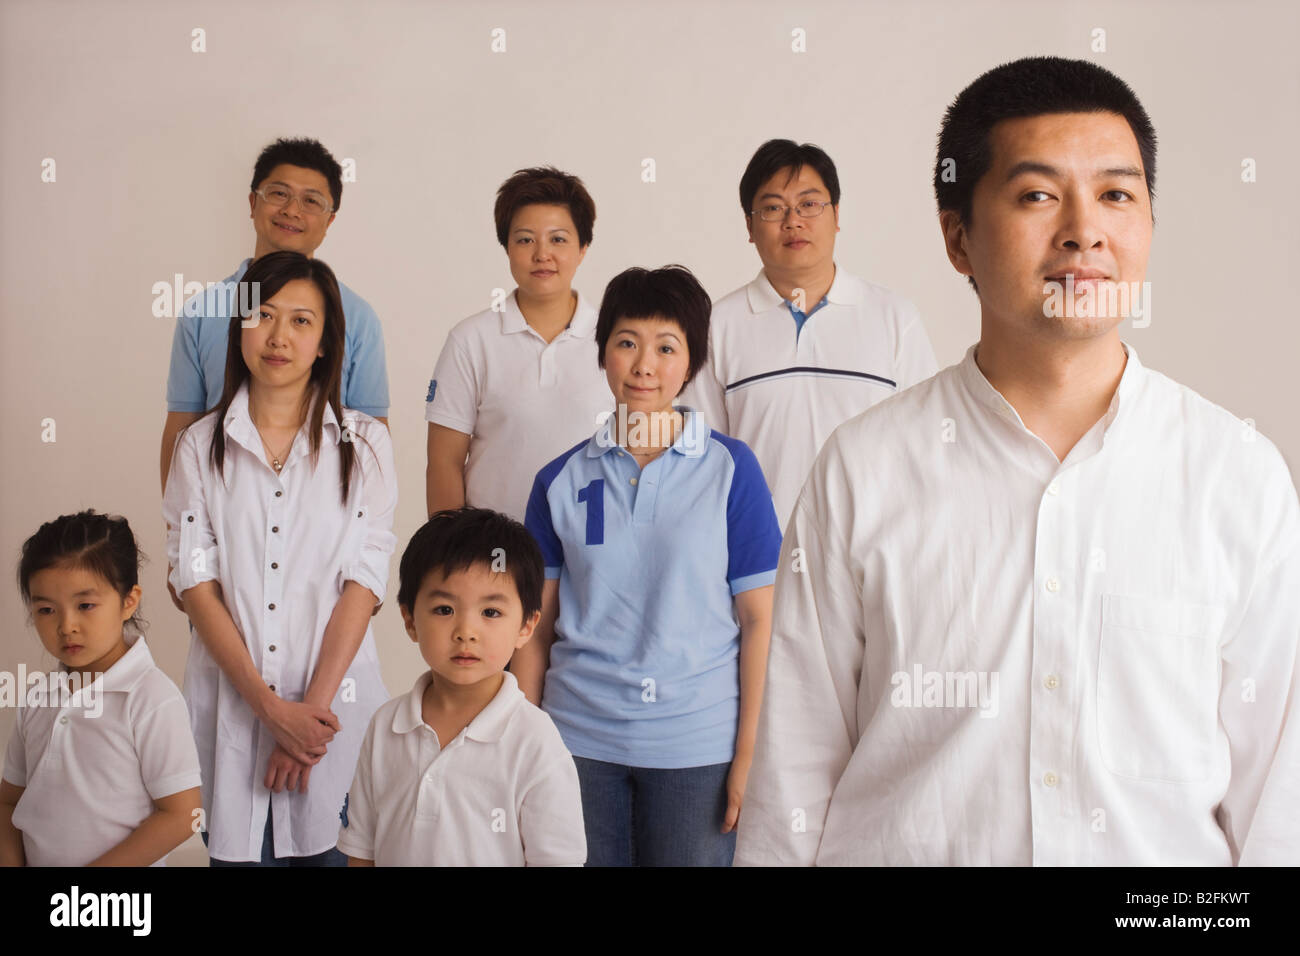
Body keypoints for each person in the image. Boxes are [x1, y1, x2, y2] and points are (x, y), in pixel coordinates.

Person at [736, 56, 1300, 866]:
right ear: (957, 236)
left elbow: (1279, 803)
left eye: (1116, 194)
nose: (1084, 231)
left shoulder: (1237, 477)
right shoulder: (863, 470)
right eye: (1038, 194)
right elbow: (792, 772)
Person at [515, 265, 782, 866]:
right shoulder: (558, 479)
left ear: (690, 364)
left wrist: (748, 756)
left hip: (697, 748)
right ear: (604, 352)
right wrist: (524, 742)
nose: (644, 365)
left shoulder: (733, 471)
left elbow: (761, 620)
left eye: (667, 347)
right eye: (627, 342)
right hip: (575, 740)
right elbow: (533, 627)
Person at [163, 251, 397, 865]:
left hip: (334, 721)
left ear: (325, 342)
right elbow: (194, 584)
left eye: (300, 321)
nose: (277, 336)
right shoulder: (197, 447)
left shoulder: (366, 446)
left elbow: (365, 584)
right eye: (263, 316)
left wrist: (306, 721)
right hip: (232, 718)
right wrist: (269, 711)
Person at [161, 137, 389, 606]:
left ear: (329, 221)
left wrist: (367, 566)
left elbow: (372, 444)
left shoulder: (356, 316)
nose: (292, 210)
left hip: (318, 556)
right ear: (252, 203)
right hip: (225, 540)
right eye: (278, 193)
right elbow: (181, 430)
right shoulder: (205, 311)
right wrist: (183, 551)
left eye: (312, 201)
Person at [683, 139, 938, 528]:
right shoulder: (717, 327)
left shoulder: (894, 318)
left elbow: (925, 447)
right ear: (749, 227)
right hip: (758, 561)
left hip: (871, 551)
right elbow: (701, 459)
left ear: (836, 215)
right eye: (772, 208)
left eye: (809, 204)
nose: (793, 221)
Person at [337, 508, 586, 866]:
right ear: (409, 620)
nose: (466, 632)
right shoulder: (385, 727)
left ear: (527, 626)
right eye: (443, 609)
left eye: (490, 613)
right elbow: (361, 851)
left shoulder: (534, 740)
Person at [1, 511, 201, 866]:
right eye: (46, 609)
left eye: (85, 606)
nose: (67, 626)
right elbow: (9, 802)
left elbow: (183, 815)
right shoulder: (38, 696)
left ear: (128, 601)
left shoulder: (152, 698)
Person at [425, 166, 611, 521]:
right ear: (506, 246)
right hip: (495, 556)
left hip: (594, 551)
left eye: (558, 239)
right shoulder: (471, 339)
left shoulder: (616, 338)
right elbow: (444, 462)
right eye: (525, 239)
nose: (542, 254)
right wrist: (452, 555)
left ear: (583, 248)